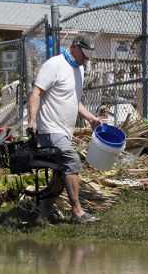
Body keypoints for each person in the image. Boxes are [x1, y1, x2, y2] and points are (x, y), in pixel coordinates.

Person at [26, 33, 102, 223]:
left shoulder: (79, 69)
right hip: (49, 130)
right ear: (74, 47)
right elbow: (36, 93)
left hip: (64, 132)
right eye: (83, 54)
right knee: (72, 160)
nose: (86, 59)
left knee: (61, 172)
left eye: (88, 56)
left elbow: (74, 101)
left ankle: (43, 210)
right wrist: (32, 121)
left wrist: (91, 118)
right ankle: (77, 212)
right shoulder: (54, 65)